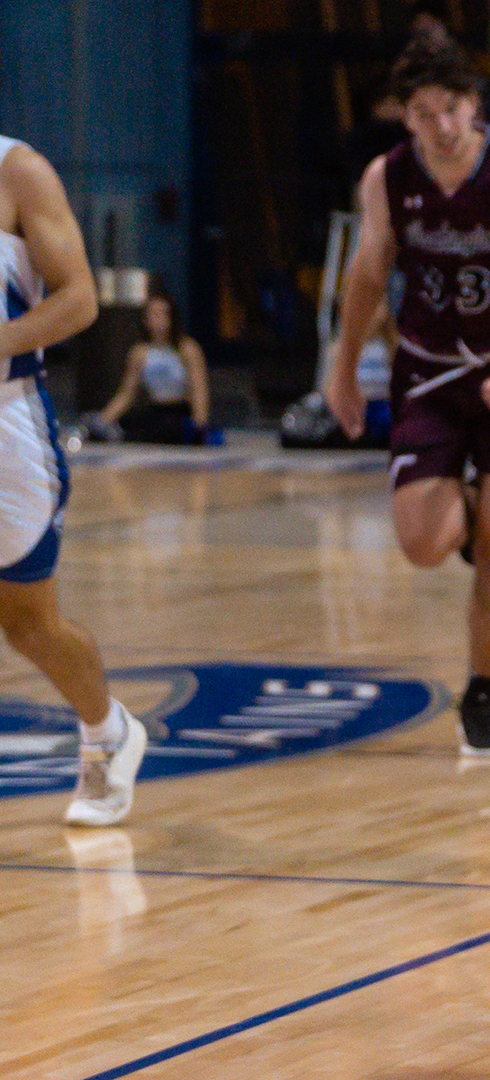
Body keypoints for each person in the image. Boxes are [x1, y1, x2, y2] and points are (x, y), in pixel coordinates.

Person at [324, 40, 490, 760]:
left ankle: (481, 692)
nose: (439, 124)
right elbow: (367, 279)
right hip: (431, 372)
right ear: (403, 117)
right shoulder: (388, 177)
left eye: (451, 107)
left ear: (474, 104)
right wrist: (344, 372)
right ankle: (464, 510)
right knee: (420, 544)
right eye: (422, 112)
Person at [0, 133, 146, 825]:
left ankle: (107, 732)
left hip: (8, 424)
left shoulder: (18, 171)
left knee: (30, 627)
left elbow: (81, 300)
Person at [94, 292, 213, 445]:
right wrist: (102, 420)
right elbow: (126, 394)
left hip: (180, 411)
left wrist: (200, 426)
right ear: (145, 319)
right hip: (157, 410)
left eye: (162, 314)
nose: (158, 319)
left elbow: (199, 390)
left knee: (170, 429)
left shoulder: (187, 349)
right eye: (153, 314)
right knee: (129, 425)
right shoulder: (140, 353)